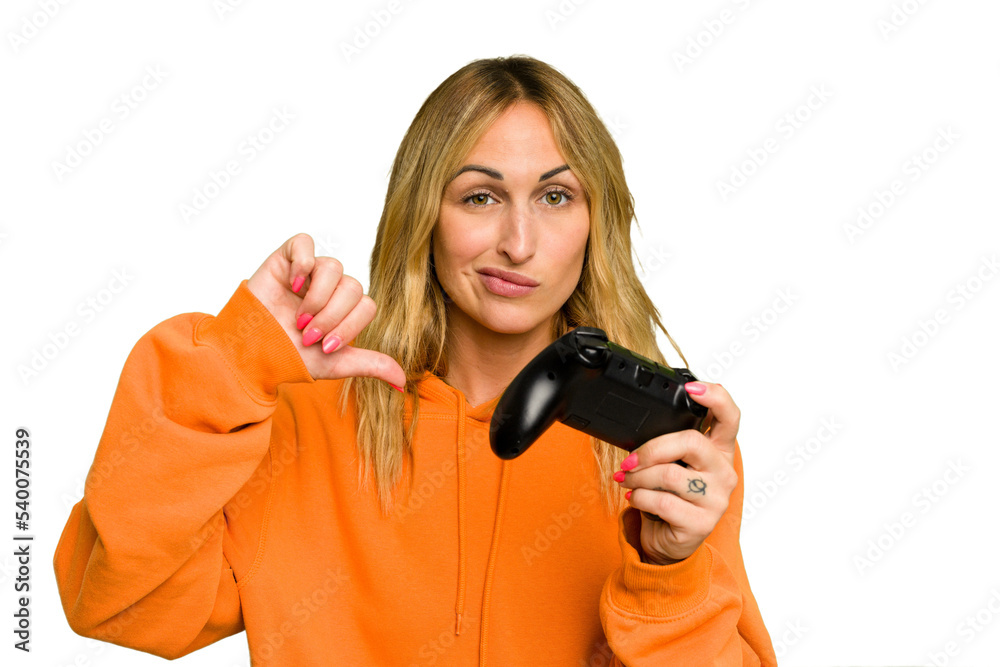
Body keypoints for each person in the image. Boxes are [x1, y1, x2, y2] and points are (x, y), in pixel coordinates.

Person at [53, 55, 777, 666]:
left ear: (596, 222)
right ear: (424, 213)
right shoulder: (299, 424)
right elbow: (116, 600)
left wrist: (672, 572)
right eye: (480, 195)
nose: (518, 242)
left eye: (556, 196)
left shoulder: (665, 452)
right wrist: (236, 363)